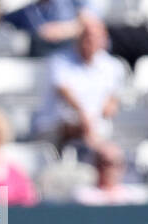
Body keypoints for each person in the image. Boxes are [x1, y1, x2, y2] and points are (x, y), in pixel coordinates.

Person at [31, 16, 125, 154]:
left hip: (95, 130)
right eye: (86, 36)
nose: (90, 41)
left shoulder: (113, 66)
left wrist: (93, 118)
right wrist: (84, 117)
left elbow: (112, 103)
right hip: (57, 127)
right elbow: (64, 91)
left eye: (95, 37)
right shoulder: (59, 62)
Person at [72, 144, 148, 205]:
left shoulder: (136, 196)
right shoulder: (83, 196)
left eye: (117, 163)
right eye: (106, 163)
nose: (111, 169)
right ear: (96, 165)